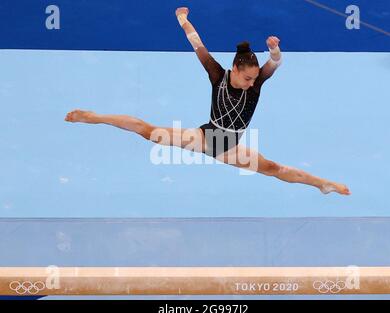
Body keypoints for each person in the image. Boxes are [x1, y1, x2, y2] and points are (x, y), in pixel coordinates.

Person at [65, 7, 350, 195]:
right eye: (248, 78)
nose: (252, 83)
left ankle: (322, 184)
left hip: (230, 148)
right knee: (149, 131)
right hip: (205, 136)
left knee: (274, 169)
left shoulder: (258, 80)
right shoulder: (218, 74)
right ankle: (94, 117)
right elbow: (198, 45)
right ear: (235, 69)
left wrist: (274, 51)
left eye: (254, 79)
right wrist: (183, 20)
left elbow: (274, 64)